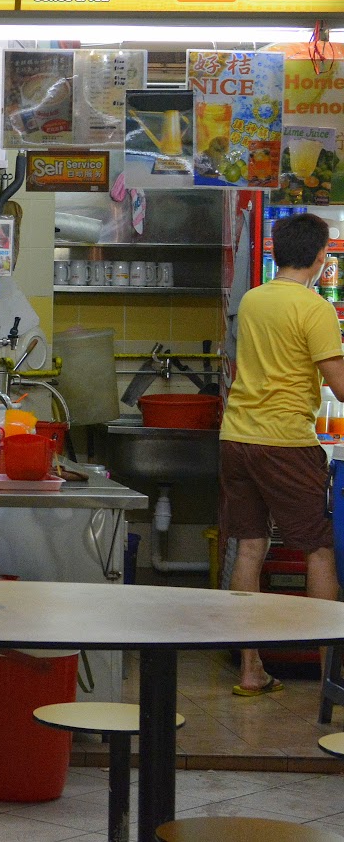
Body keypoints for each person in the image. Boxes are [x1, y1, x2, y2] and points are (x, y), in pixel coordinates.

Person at [221, 210, 344, 697]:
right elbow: (338, 384)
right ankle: (326, 677)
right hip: (286, 443)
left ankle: (251, 670)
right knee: (317, 549)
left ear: (272, 251)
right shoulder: (314, 308)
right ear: (321, 257)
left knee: (250, 546)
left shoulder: (253, 300)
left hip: (238, 438)